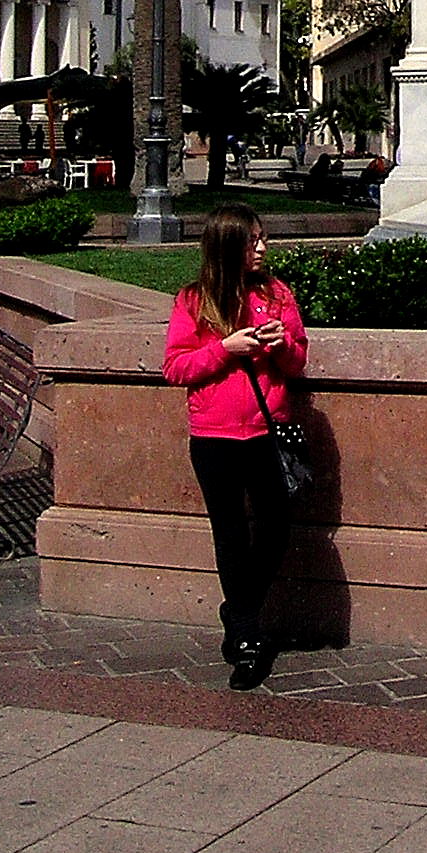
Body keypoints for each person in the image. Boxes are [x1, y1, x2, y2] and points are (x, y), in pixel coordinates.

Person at [162, 208, 307, 691]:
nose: (262, 249)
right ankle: (246, 637)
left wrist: (279, 344)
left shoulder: (277, 294)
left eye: (263, 239)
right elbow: (175, 368)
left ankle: (238, 610)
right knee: (229, 532)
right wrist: (226, 348)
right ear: (228, 247)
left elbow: (298, 362)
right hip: (214, 435)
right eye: (252, 241)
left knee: (276, 528)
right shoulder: (194, 300)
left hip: (268, 430)